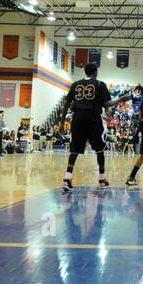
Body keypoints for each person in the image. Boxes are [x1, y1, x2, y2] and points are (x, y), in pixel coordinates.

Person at [58, 62, 114, 191]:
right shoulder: (99, 84)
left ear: (85, 72)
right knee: (99, 149)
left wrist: (61, 123)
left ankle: (67, 179)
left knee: (74, 150)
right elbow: (107, 103)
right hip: (93, 118)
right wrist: (121, 99)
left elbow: (66, 104)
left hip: (77, 118)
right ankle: (101, 179)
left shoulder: (75, 84)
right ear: (96, 72)